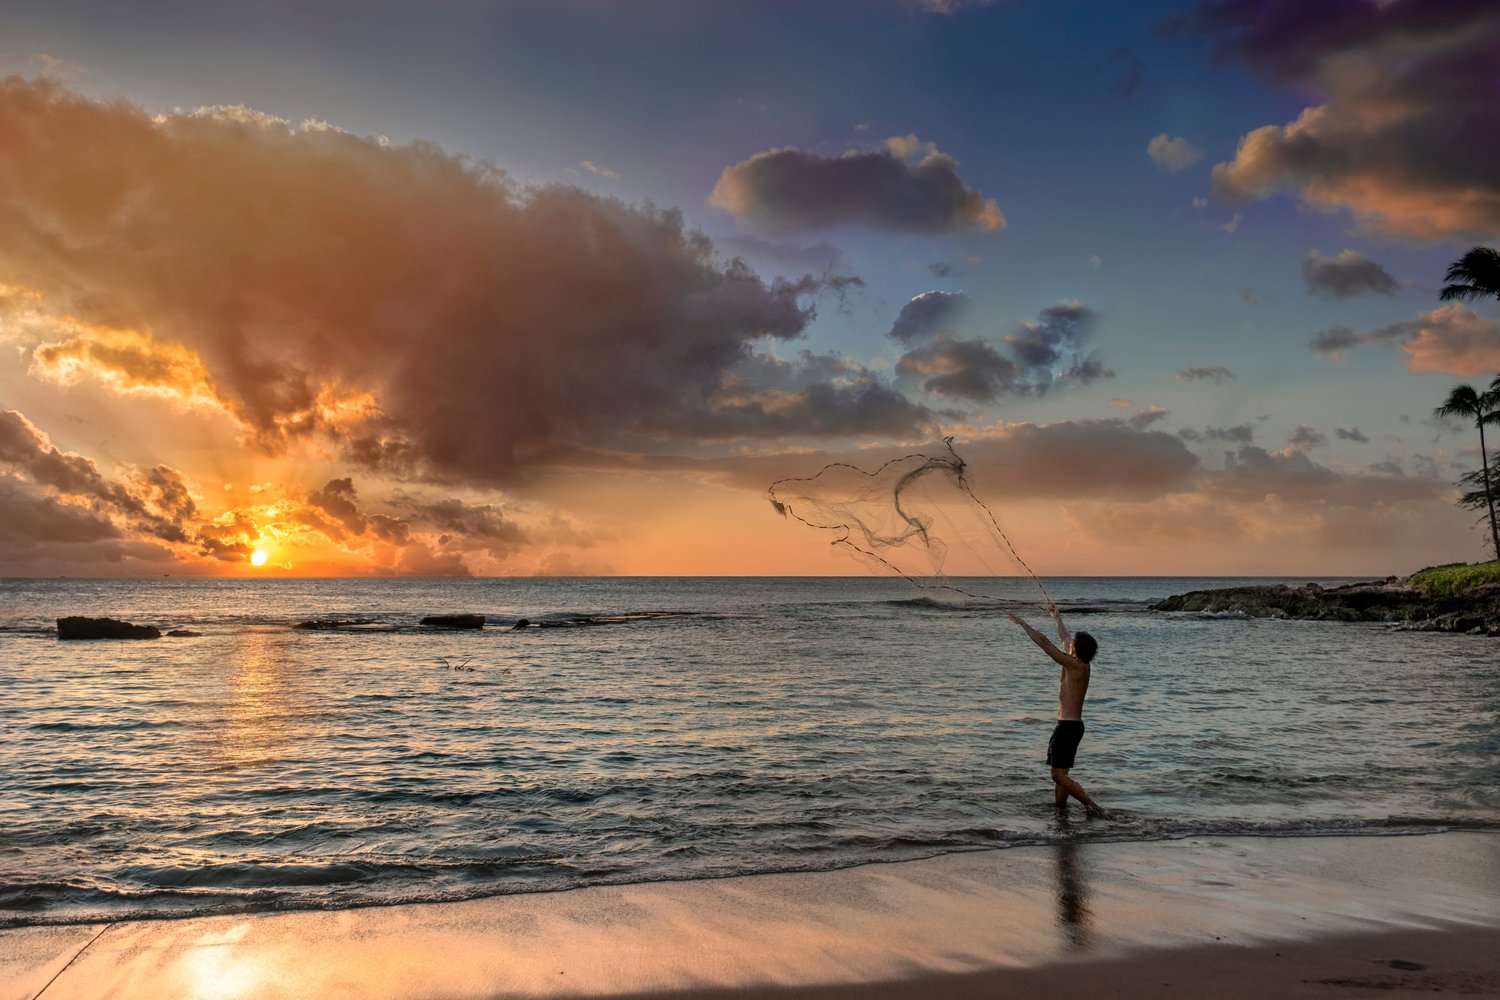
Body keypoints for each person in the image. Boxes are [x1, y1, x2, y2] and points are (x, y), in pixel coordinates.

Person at [1006, 606, 1110, 818]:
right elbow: (1064, 638)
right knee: (1062, 774)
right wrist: (1057, 618)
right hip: (1073, 726)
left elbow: (1046, 645)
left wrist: (1023, 624)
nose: (1069, 642)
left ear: (1076, 651)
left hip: (1067, 727)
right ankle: (1060, 813)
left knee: (1057, 775)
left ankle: (1092, 807)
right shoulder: (1082, 663)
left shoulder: (1074, 665)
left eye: (1073, 643)